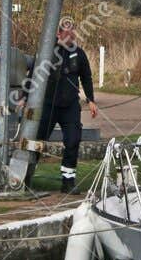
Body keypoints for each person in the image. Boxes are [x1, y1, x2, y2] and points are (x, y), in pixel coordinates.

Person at [37, 17, 98, 192]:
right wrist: (25, 98)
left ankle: (68, 181)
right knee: (37, 139)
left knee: (73, 140)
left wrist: (91, 99)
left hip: (70, 106)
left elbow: (86, 77)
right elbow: (33, 76)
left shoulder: (79, 54)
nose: (70, 36)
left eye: (72, 33)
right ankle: (25, 174)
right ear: (58, 33)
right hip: (49, 105)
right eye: (66, 33)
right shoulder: (47, 53)